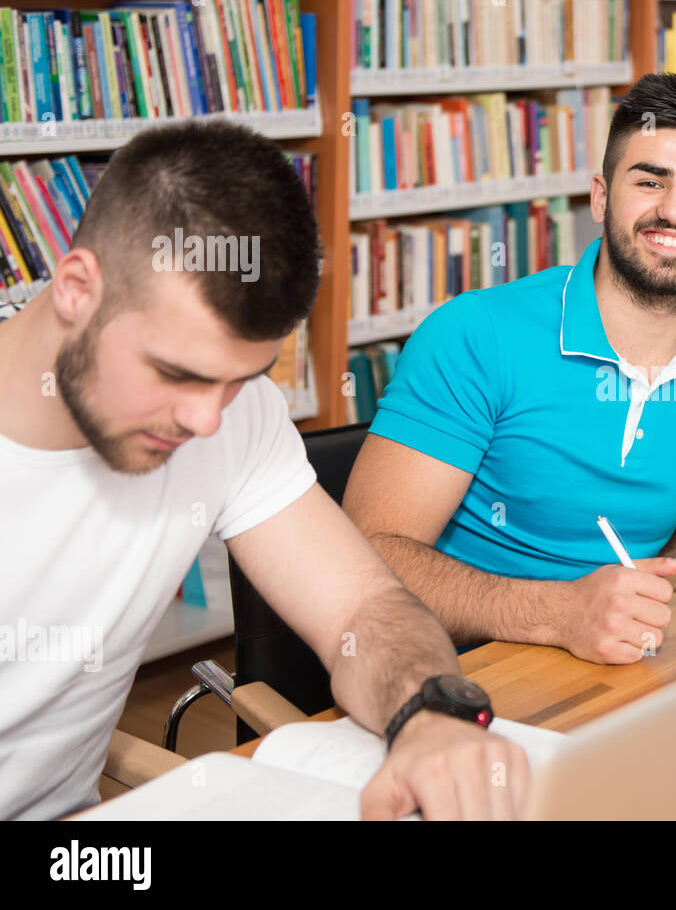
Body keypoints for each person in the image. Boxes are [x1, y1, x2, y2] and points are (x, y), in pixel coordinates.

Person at [0, 122, 527, 820]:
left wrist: (426, 709)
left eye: (238, 379)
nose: (206, 421)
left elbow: (362, 608)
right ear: (76, 288)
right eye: (176, 373)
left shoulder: (234, 414)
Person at [342, 73, 676, 665]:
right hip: (454, 660)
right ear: (601, 197)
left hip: (625, 663)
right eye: (650, 181)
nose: (674, 211)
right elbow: (366, 555)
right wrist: (560, 614)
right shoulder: (476, 334)